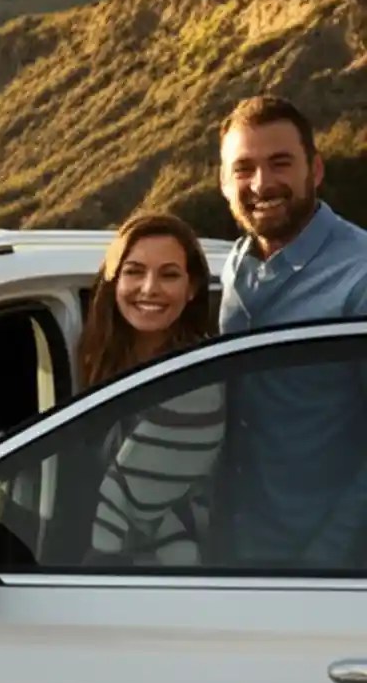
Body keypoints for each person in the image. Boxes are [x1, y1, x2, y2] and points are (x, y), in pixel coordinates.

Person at [215, 95, 367, 568]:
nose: (262, 183)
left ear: (314, 170)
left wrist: (329, 556)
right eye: (243, 169)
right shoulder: (234, 267)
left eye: (280, 163)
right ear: (224, 183)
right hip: (228, 549)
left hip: (324, 567)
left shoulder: (360, 277)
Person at [77, 211, 226, 565]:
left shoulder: (195, 385)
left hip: (159, 575)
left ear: (192, 288)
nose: (149, 288)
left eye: (169, 275)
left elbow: (120, 506)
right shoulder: (95, 358)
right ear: (114, 279)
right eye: (134, 271)